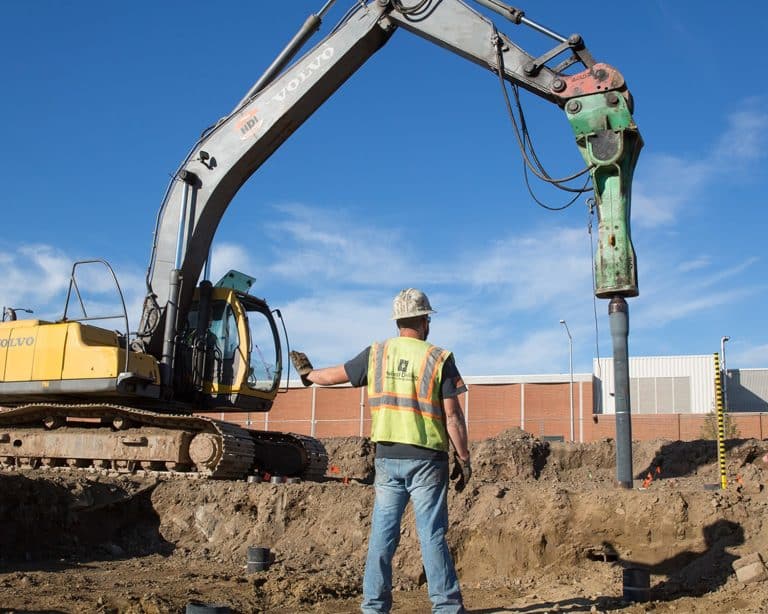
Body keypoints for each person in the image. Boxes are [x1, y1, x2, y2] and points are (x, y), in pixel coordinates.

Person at [290, 288, 471, 614]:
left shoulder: (376, 354)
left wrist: (308, 374)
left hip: (387, 458)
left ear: (397, 321)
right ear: (425, 320)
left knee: (383, 536)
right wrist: (464, 457)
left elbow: (334, 376)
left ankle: (374, 608)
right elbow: (454, 416)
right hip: (427, 460)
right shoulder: (438, 358)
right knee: (431, 535)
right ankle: (446, 608)